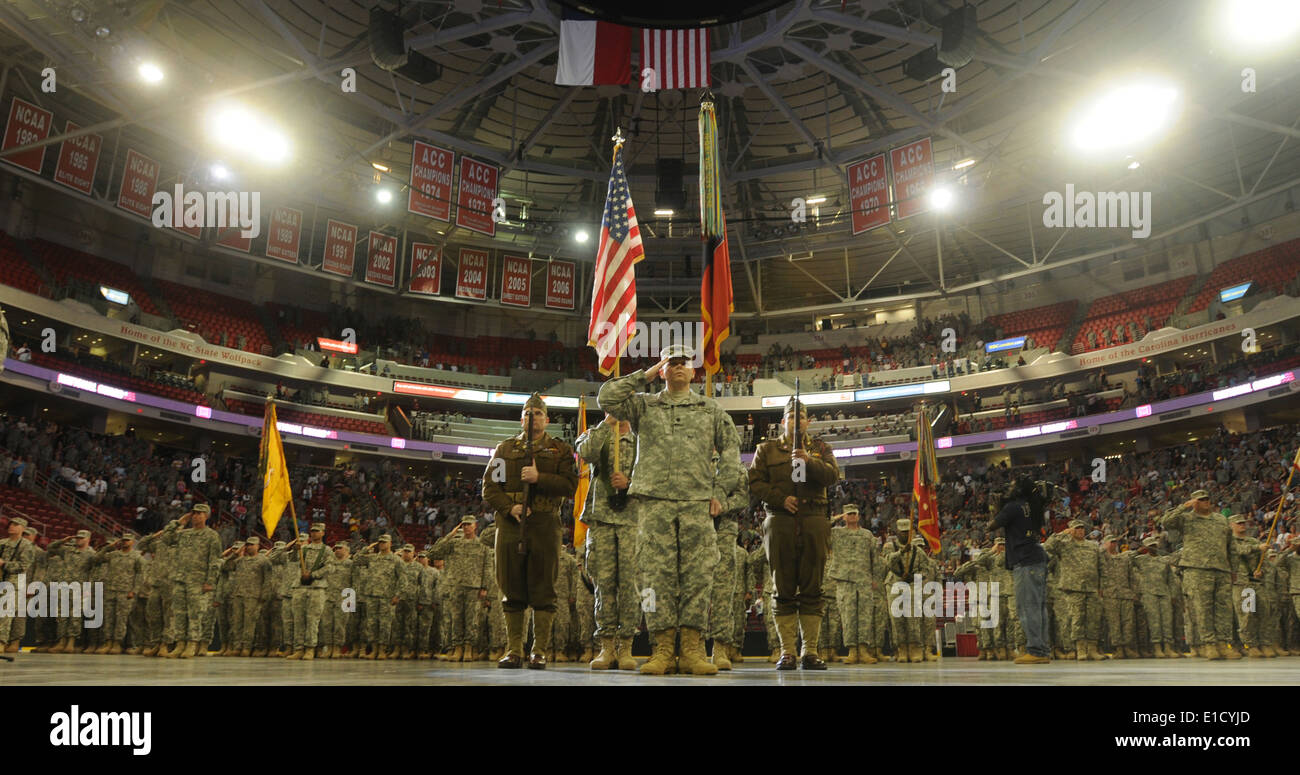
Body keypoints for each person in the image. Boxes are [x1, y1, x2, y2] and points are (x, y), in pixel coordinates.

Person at [598, 345, 744, 676]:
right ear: (663, 370)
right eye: (671, 363)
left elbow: (732, 450)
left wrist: (720, 490)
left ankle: (692, 649)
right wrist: (645, 373)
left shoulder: (710, 410)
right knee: (652, 576)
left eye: (684, 363)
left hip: (696, 503)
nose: (678, 367)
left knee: (698, 578)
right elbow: (606, 398)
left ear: (694, 372)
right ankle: (661, 647)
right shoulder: (643, 406)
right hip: (653, 502)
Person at [481, 393, 578, 669]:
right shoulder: (505, 450)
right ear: (521, 418)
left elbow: (570, 486)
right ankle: (514, 649)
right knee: (511, 587)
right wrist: (509, 508)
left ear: (547, 420)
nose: (532, 417)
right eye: (527, 413)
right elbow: (489, 488)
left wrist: (539, 478)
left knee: (543, 588)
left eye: (537, 413)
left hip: (545, 524)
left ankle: (539, 651)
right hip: (511, 525)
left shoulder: (559, 451)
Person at [749, 397, 841, 670]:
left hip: (814, 519)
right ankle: (787, 651)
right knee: (784, 587)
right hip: (780, 521)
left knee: (813, 587)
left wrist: (809, 460)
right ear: (783, 422)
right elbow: (754, 480)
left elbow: (832, 476)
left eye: (801, 417)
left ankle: (810, 651)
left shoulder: (821, 448)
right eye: (791, 417)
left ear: (808, 422)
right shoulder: (766, 450)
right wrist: (779, 499)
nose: (796, 421)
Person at [575, 413, 640, 671]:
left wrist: (629, 484)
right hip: (601, 520)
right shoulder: (596, 434)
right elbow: (586, 453)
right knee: (603, 585)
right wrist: (607, 424)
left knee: (629, 586)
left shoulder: (641, 441)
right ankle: (606, 646)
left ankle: (626, 646)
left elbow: (656, 478)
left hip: (632, 520)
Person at [1161, 489, 1236, 659]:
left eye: (1207, 499)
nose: (1205, 502)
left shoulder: (1221, 519)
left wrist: (1234, 569)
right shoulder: (1186, 519)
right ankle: (1209, 644)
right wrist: (1184, 507)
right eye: (1201, 499)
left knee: (1224, 608)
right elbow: (1166, 522)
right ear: (1194, 502)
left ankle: (1223, 644)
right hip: (1197, 569)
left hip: (1222, 568)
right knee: (1203, 608)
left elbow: (1230, 546)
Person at [989, 476, 1052, 664]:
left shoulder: (1013, 507)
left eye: (1013, 485)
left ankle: (1036, 650)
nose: (1010, 487)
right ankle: (1042, 648)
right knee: (1039, 607)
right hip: (1037, 557)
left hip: (1024, 561)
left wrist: (997, 506)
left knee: (1027, 607)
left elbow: (992, 526)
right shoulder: (1034, 506)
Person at [160, 503, 222, 658]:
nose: (196, 516)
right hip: (180, 578)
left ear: (206, 516)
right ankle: (180, 644)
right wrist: (179, 522)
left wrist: (210, 581)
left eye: (200, 513)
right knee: (180, 613)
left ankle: (192, 644)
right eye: (194, 513)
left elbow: (214, 561)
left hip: (198, 581)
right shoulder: (184, 533)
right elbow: (166, 538)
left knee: (195, 614)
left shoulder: (212, 535)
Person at [430, 516, 492, 662]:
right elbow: (433, 553)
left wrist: (485, 587)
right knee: (456, 618)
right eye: (463, 525)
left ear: (475, 526)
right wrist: (450, 535)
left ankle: (469, 648)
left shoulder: (482, 544)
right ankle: (457, 648)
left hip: (474, 586)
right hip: (456, 585)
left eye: (469, 525)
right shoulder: (454, 543)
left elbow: (487, 567)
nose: (466, 527)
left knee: (472, 620)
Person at [828, 505, 880, 664]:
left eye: (854, 514)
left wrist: (875, 579)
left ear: (858, 516)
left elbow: (875, 559)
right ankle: (852, 651)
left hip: (864, 580)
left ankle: (863, 650)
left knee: (864, 617)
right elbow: (820, 528)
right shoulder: (836, 533)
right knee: (848, 617)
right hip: (845, 581)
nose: (851, 516)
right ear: (844, 516)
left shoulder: (867, 535)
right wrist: (835, 518)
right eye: (848, 514)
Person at [274, 523, 332, 660]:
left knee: (312, 620)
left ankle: (310, 648)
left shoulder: (327, 550)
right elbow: (292, 560)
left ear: (323, 533)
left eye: (317, 531)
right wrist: (295, 550)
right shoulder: (303, 548)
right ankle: (298, 648)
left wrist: (313, 575)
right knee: (298, 619)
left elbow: (329, 568)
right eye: (312, 531)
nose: (314, 533)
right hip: (299, 588)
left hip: (316, 588)